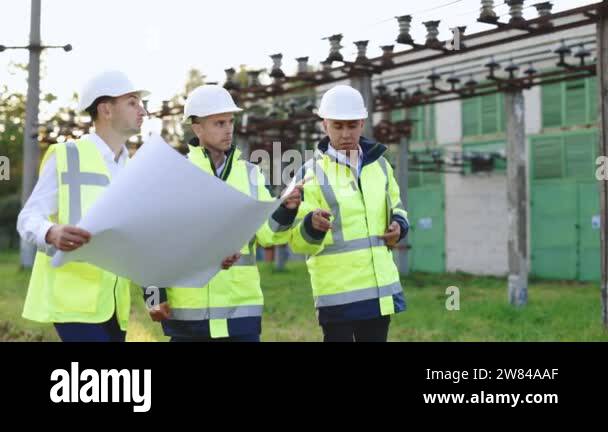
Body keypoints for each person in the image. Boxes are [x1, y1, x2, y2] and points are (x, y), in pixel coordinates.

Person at [145, 85, 300, 342]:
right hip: (189, 319)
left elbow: (269, 235)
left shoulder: (250, 173)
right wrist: (153, 295)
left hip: (240, 315)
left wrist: (285, 209)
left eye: (230, 121)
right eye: (219, 123)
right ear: (197, 128)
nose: (228, 129)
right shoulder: (172, 175)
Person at [17, 70, 149, 342]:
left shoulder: (132, 169)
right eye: (133, 102)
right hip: (71, 300)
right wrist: (51, 233)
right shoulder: (66, 155)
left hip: (114, 304)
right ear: (106, 109)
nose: (143, 110)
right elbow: (28, 217)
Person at [288, 84, 409, 342]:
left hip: (378, 290)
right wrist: (311, 225)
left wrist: (399, 225)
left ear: (362, 123)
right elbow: (296, 240)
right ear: (325, 125)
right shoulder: (310, 173)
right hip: (337, 294)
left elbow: (397, 207)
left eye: (352, 125)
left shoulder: (380, 166)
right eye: (338, 126)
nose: (345, 133)